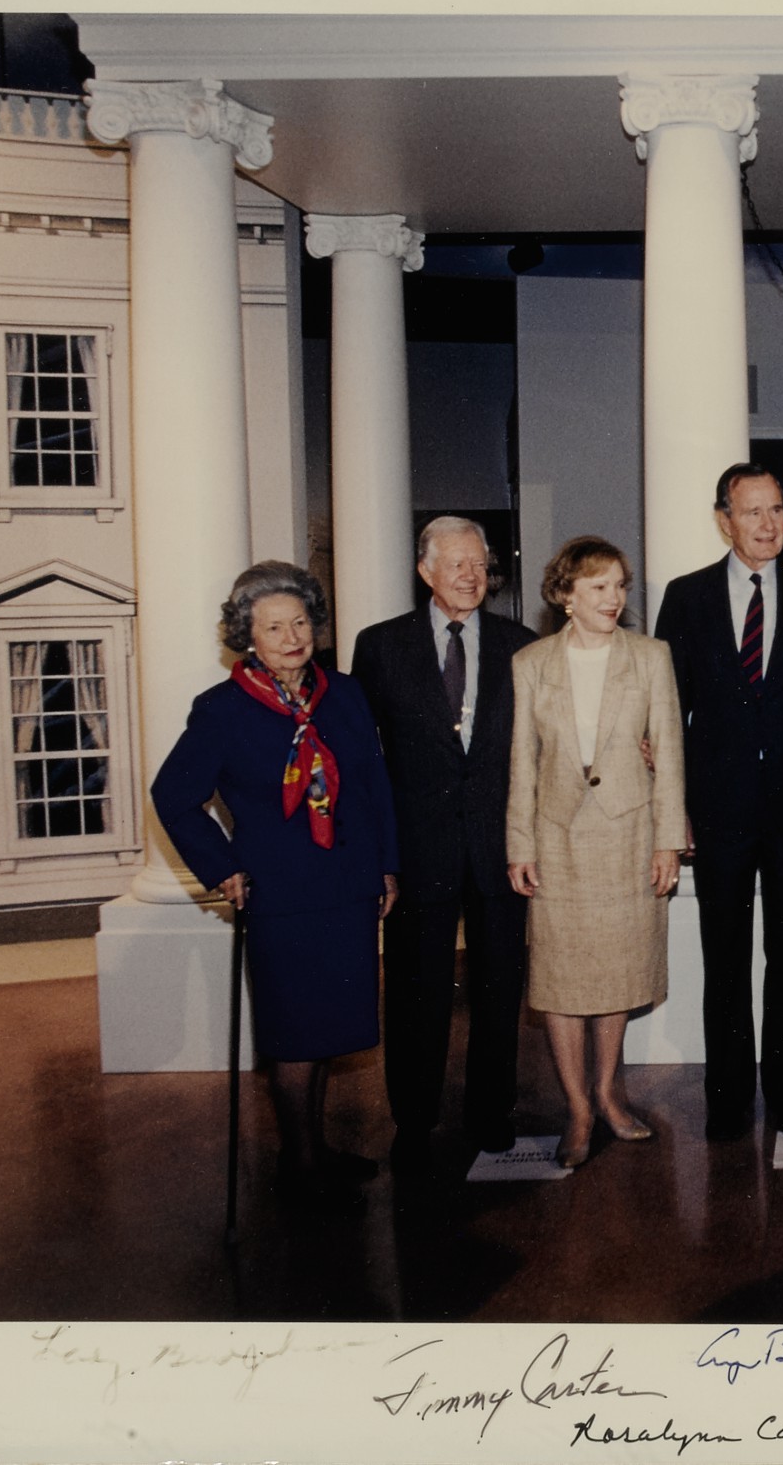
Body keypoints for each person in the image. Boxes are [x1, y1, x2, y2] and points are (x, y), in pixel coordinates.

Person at [151, 562, 399, 1213]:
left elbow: (373, 785)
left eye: (300, 622)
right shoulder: (222, 711)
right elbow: (173, 797)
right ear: (247, 636)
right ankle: (301, 1166)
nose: (291, 636)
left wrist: (386, 865)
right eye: (272, 627)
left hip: (346, 885)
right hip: (279, 893)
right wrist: (221, 865)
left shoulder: (344, 695)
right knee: (293, 1034)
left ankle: (309, 1152)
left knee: (326, 1030)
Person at [654, 464, 783, 1142]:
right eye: (753, 511)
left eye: (777, 509)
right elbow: (666, 710)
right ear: (724, 519)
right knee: (726, 954)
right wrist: (672, 807)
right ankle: (729, 1096)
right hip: (721, 808)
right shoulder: (686, 598)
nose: (768, 524)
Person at [351, 517, 538, 1171]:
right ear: (425, 571)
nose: (469, 575)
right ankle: (414, 1119)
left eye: (479, 565)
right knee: (414, 992)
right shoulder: (378, 648)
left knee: (498, 989)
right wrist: (377, 857)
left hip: (500, 851)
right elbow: (361, 760)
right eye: (455, 564)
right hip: (417, 851)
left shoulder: (523, 645)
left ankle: (491, 1113)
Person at [507, 537, 684, 1166]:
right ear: (566, 595)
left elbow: (669, 752)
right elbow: (520, 763)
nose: (615, 598)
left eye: (620, 586)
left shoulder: (651, 656)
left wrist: (669, 838)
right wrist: (519, 845)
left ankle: (610, 1094)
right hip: (556, 836)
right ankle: (578, 1109)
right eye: (600, 587)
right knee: (560, 981)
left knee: (617, 972)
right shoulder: (529, 664)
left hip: (629, 835)